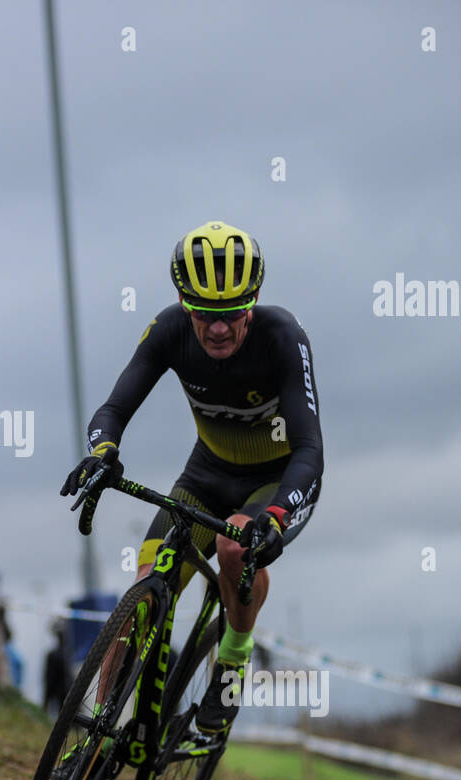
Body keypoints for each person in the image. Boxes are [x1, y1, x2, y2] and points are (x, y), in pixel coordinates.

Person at [60, 221, 323, 736]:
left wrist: (276, 513)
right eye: (205, 315)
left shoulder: (283, 338)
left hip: (276, 481)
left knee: (231, 548)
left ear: (252, 304)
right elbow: (113, 408)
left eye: (229, 315)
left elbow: (310, 450)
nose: (218, 329)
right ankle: (95, 729)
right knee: (144, 588)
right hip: (205, 475)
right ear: (185, 305)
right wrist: (102, 451)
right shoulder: (169, 331)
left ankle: (232, 658)